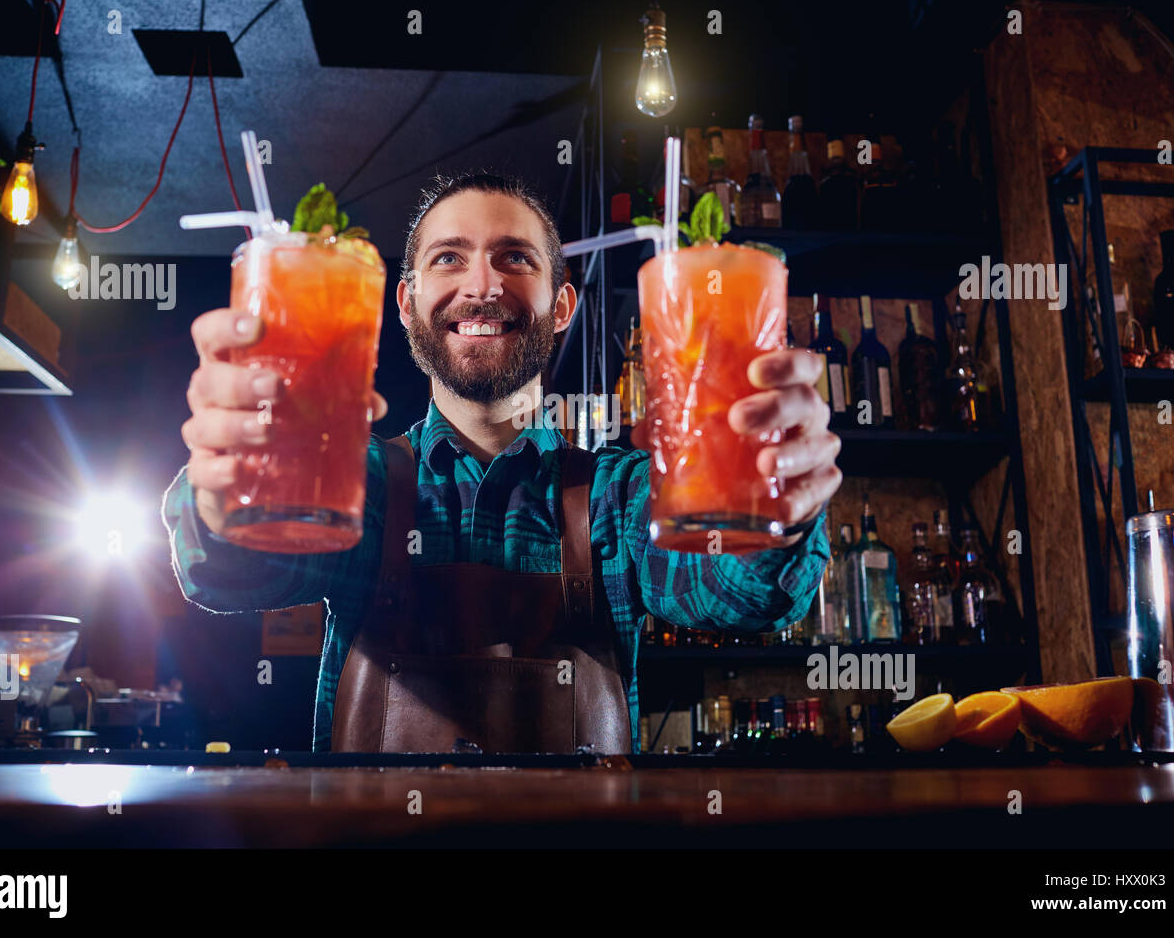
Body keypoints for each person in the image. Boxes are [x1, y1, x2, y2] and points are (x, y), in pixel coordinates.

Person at [162, 172, 841, 754]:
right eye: (449, 259)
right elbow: (230, 574)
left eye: (515, 258)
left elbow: (745, 595)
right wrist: (224, 495)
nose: (482, 285)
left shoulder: (617, 495)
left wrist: (778, 508)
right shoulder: (358, 483)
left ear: (563, 304)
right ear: (404, 304)